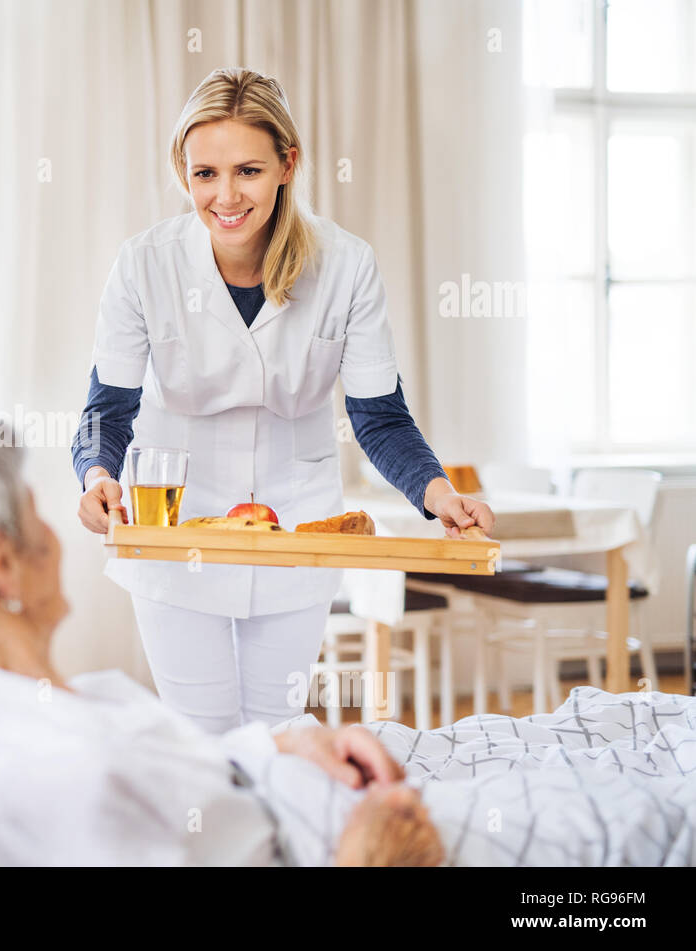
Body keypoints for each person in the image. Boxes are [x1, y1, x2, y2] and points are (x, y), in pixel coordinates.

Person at [0, 418, 696, 867]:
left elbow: (198, 772)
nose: (57, 533)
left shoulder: (32, 705)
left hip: (337, 774)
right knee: (654, 817)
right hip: (372, 834)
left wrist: (290, 739)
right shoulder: (52, 777)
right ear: (0, 563)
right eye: (35, 518)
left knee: (618, 723)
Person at [71, 68, 495, 732]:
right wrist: (96, 476)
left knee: (276, 731)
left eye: (247, 170)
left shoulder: (346, 265)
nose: (225, 195)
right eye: (204, 173)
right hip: (175, 522)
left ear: (287, 164)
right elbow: (108, 408)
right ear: (183, 172)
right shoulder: (143, 265)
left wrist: (440, 495)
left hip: (297, 523)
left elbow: (379, 417)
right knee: (203, 734)